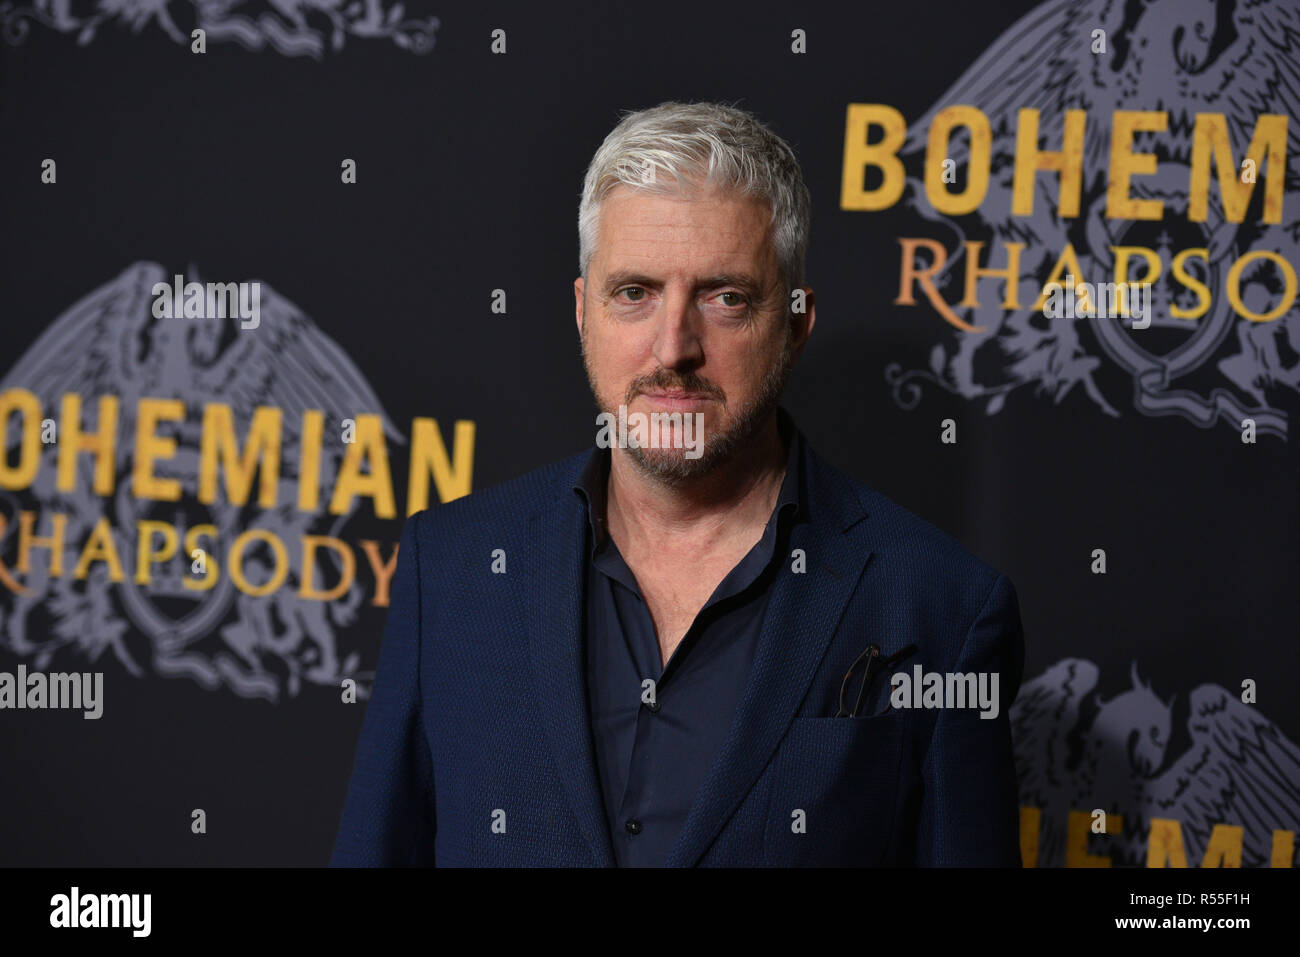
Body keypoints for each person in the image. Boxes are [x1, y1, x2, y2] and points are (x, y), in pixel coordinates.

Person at [331, 101, 1025, 867]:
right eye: (634, 292)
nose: (673, 348)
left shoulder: (940, 607)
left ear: (796, 323)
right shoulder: (453, 567)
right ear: (581, 311)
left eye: (726, 296)